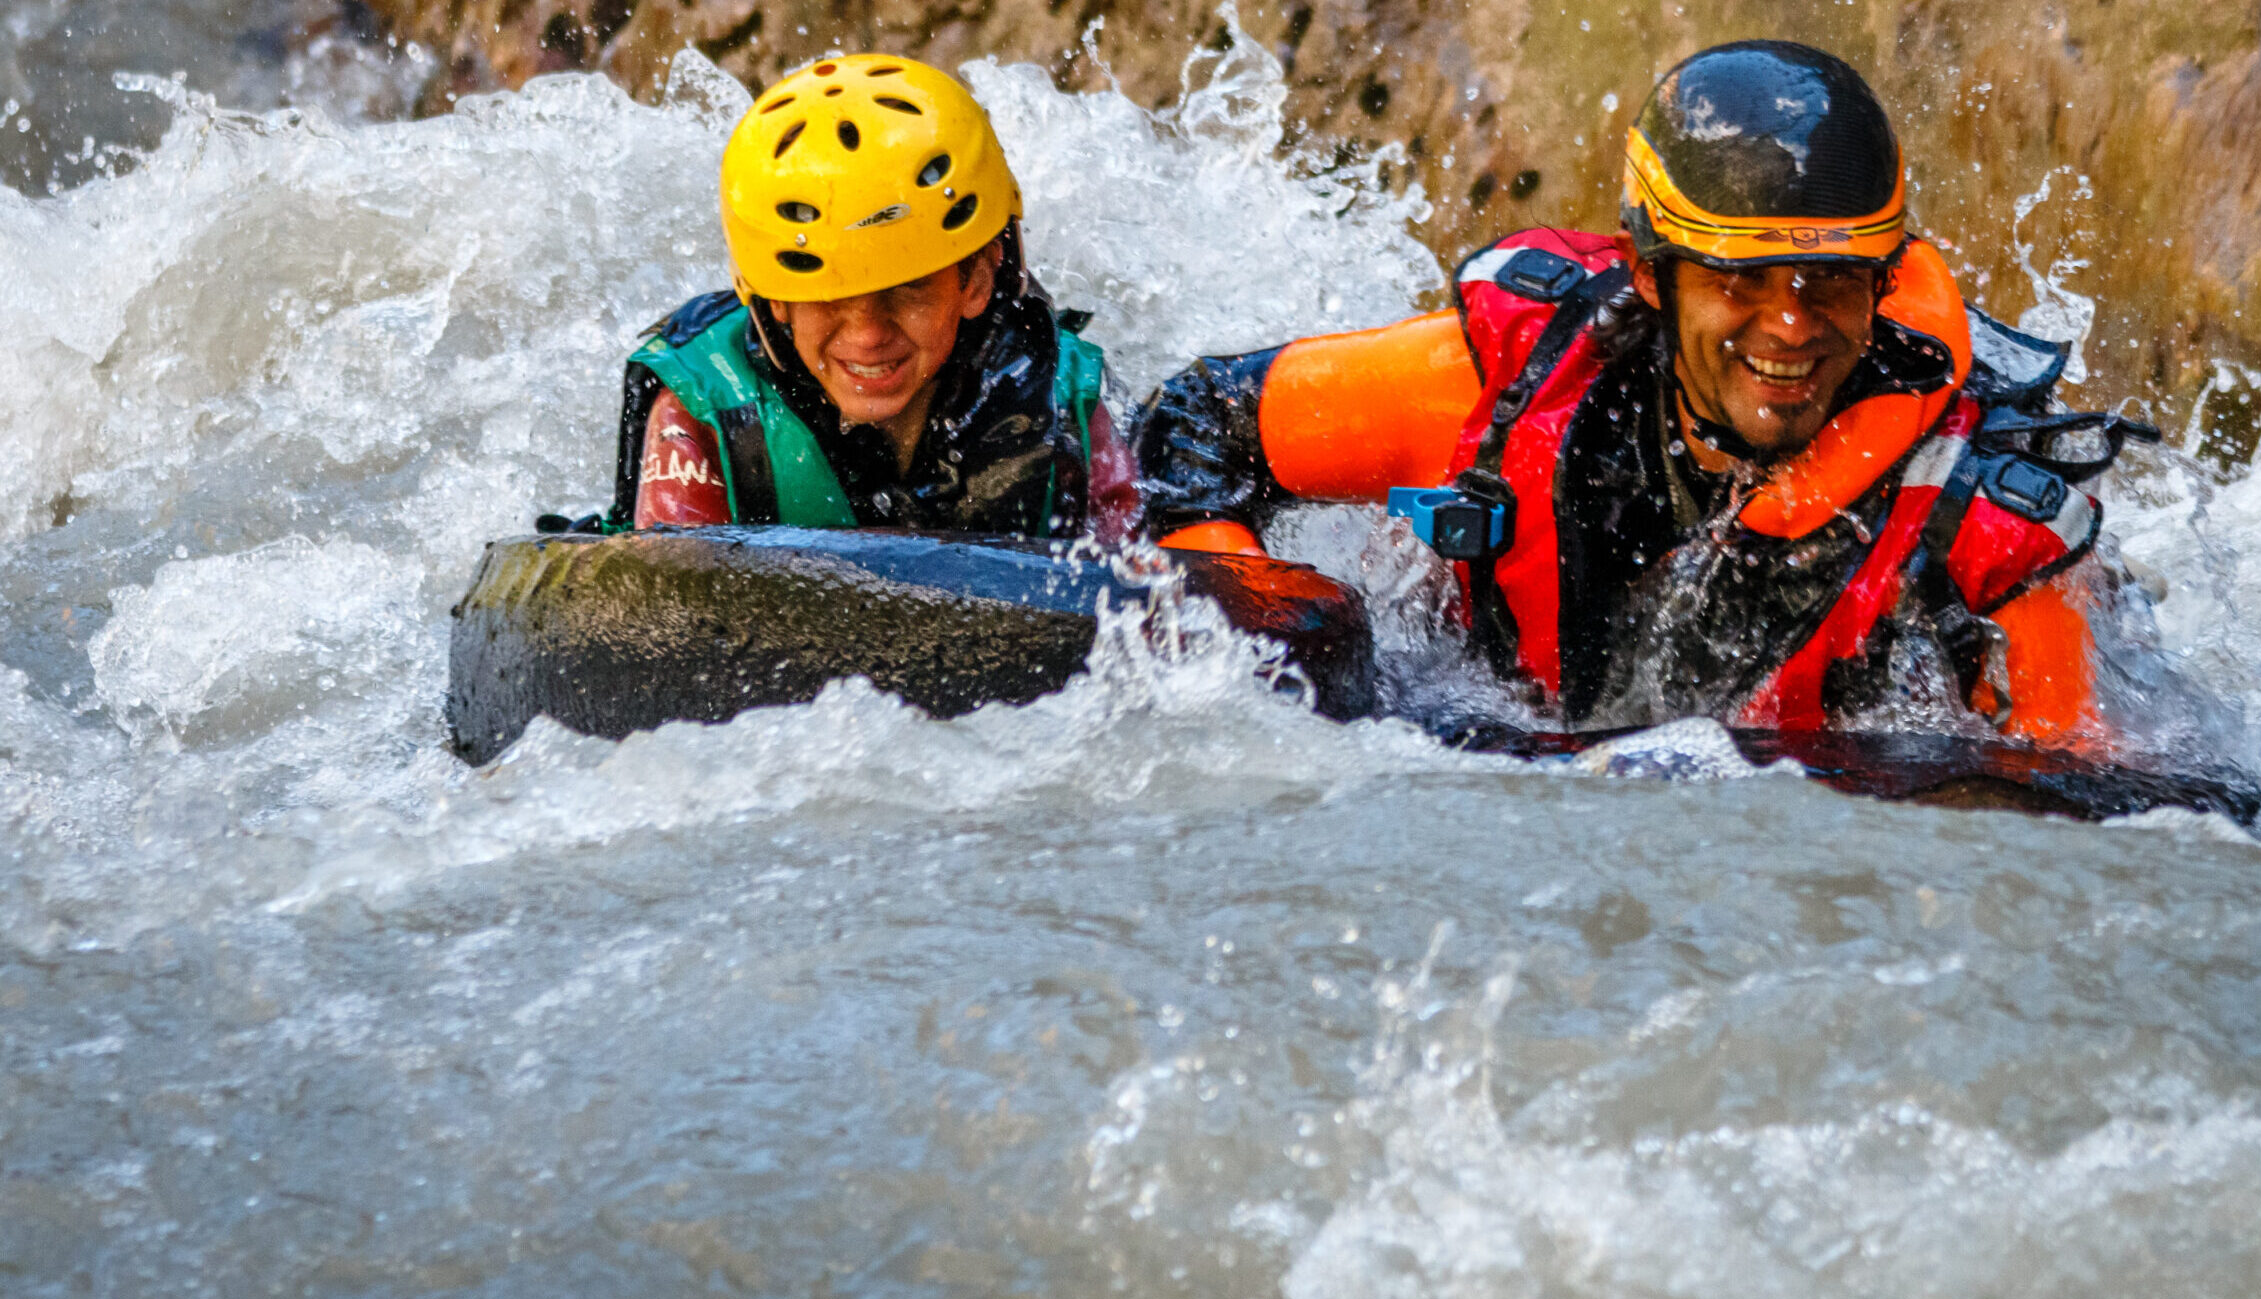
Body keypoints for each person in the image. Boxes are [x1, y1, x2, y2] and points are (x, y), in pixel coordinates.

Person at [1131, 40, 2154, 743]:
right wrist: (1266, 644)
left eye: (1830, 282)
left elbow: (2070, 822)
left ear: (1884, 282)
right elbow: (1191, 428)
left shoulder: (1984, 535)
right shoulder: (1503, 385)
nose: (1790, 325)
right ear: (1654, 273)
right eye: (1739, 278)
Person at [599, 55, 1134, 540]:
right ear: (775, 303)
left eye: (908, 289)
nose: (868, 335)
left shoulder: (1066, 409)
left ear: (975, 280)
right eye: (827, 298)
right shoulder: (703, 417)